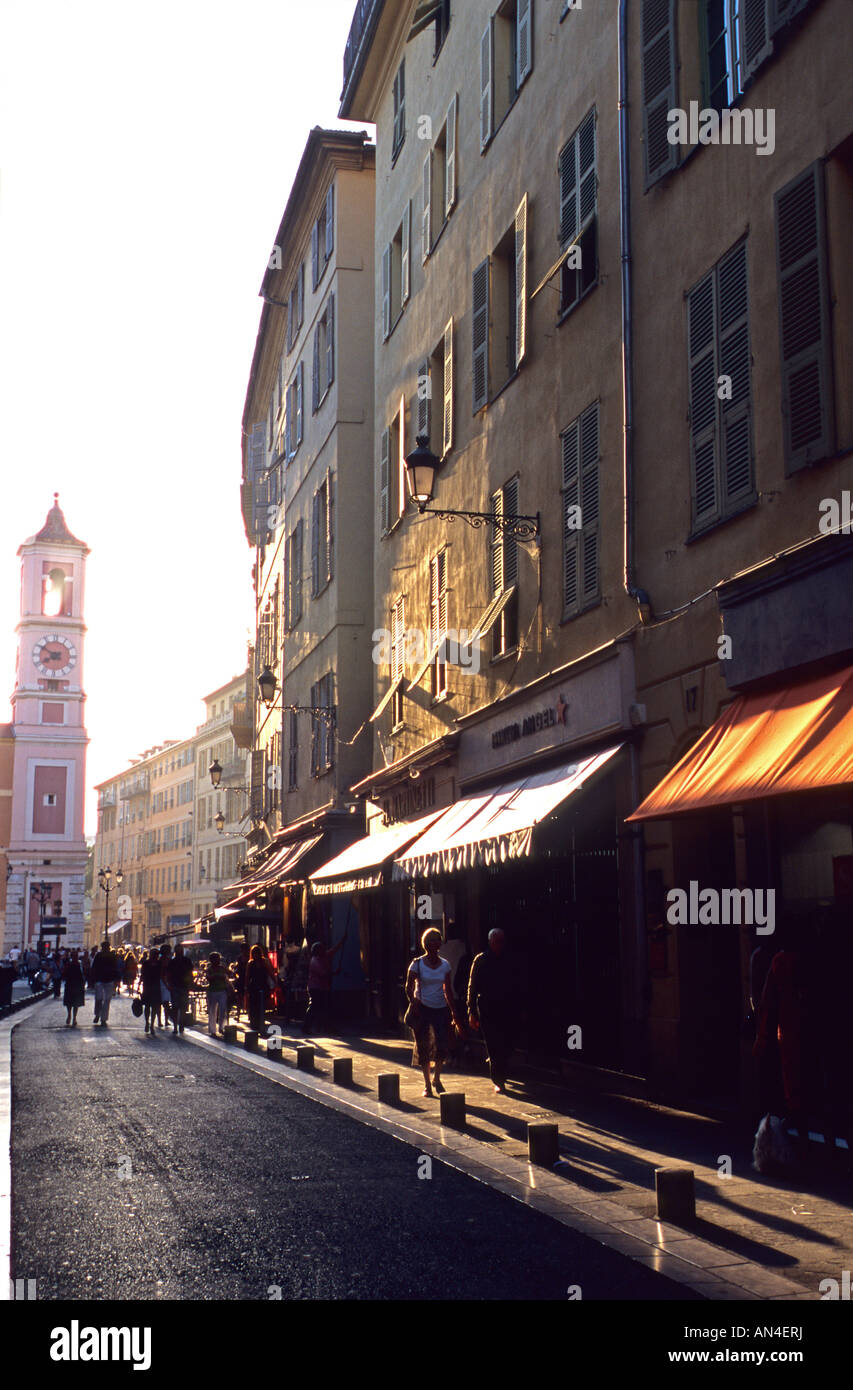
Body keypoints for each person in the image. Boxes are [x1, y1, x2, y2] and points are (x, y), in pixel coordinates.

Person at [406, 927, 461, 1099]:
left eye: (438, 940)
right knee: (423, 1046)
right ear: (426, 944)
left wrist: (453, 1011)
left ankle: (437, 1078)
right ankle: (427, 1084)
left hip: (440, 1008)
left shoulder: (445, 965)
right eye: (432, 941)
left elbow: (448, 989)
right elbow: (409, 986)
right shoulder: (417, 964)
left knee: (441, 1044)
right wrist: (413, 1001)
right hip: (423, 1008)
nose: (436, 944)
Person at [467, 928, 517, 1094]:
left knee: (507, 1043)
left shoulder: (509, 959)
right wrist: (472, 1010)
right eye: (496, 941)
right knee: (493, 1043)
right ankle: (498, 1079)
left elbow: (517, 983)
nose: (499, 945)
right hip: (488, 1007)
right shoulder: (481, 960)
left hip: (508, 1006)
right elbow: (472, 987)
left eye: (501, 941)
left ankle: (501, 1070)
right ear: (490, 942)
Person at [302, 937, 345, 1036]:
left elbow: (334, 950)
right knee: (315, 1007)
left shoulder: (323, 956)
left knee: (323, 1007)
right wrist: (335, 973)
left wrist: (342, 941)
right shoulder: (315, 961)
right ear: (317, 951)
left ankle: (324, 1027)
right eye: (321, 949)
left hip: (321, 987)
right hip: (316, 988)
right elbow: (323, 974)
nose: (324, 950)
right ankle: (308, 1026)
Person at [245, 945, 276, 1037]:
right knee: (254, 1008)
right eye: (254, 953)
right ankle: (255, 1027)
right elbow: (247, 976)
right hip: (253, 986)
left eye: (257, 953)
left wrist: (275, 982)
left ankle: (260, 1027)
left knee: (261, 1008)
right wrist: (246, 987)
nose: (256, 955)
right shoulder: (250, 963)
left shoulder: (264, 961)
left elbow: (270, 972)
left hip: (263, 986)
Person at [165, 945, 194, 1035]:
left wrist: (169, 984)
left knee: (177, 1007)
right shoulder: (186, 961)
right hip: (180, 987)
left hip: (178, 986)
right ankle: (179, 1026)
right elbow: (190, 973)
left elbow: (168, 974)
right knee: (181, 1007)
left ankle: (177, 1026)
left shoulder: (173, 962)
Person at [91, 941, 121, 1026]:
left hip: (104, 979)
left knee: (102, 999)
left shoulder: (103, 956)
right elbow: (116, 968)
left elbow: (94, 967)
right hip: (104, 979)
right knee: (102, 999)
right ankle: (100, 1016)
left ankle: (100, 1017)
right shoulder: (103, 956)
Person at [205, 952, 229, 1037]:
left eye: (219, 959)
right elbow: (208, 977)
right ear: (212, 960)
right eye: (216, 959)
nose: (218, 961)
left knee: (223, 1010)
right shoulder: (209, 969)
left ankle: (222, 1027)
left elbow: (230, 973)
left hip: (222, 991)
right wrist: (218, 975)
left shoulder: (222, 968)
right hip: (212, 992)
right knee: (212, 1011)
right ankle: (212, 1030)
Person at [140, 950, 163, 1034]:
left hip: (149, 986)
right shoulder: (157, 964)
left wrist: (139, 984)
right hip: (152, 986)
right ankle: (149, 1024)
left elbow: (142, 974)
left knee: (150, 1007)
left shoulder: (148, 963)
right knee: (152, 1007)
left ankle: (150, 1024)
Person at [62, 949, 86, 1027]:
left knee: (72, 1003)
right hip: (75, 985)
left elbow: (64, 974)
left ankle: (72, 1017)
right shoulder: (77, 965)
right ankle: (72, 1017)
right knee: (74, 1003)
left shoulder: (71, 964)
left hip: (72, 985)